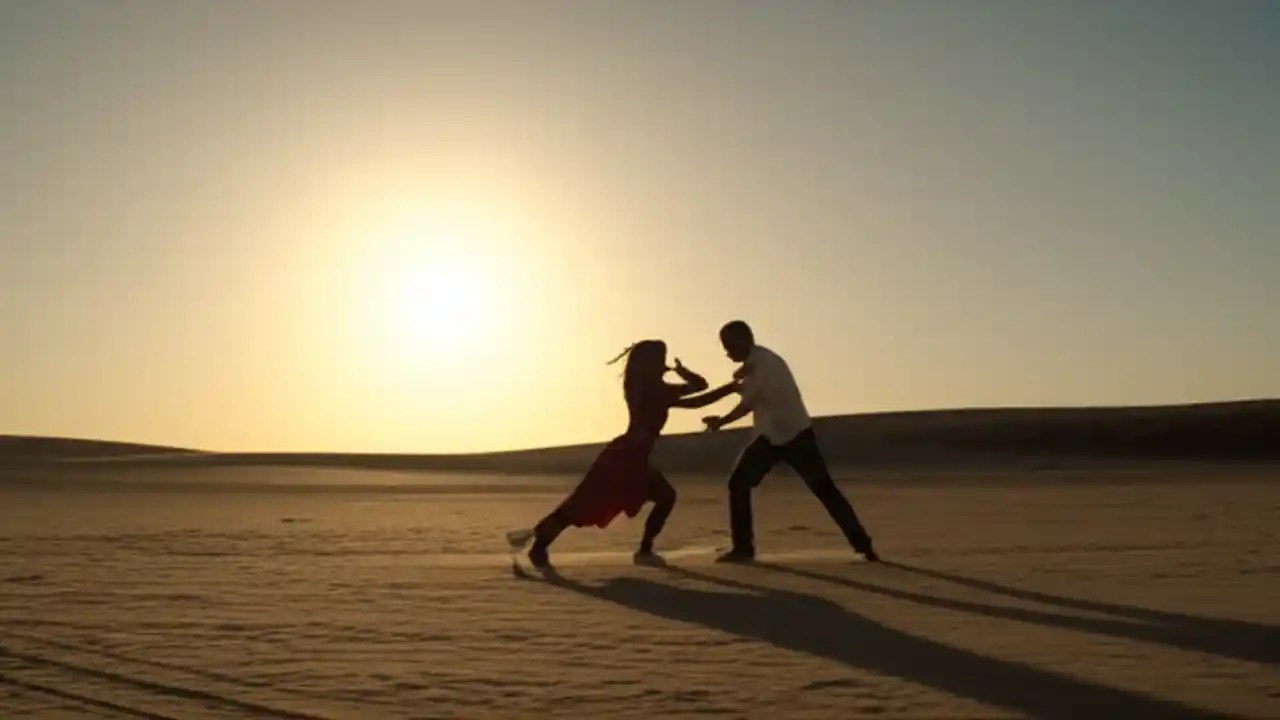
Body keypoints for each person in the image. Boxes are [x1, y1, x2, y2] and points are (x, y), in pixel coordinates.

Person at [521, 340, 739, 568]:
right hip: (630, 457)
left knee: (586, 501)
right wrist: (729, 388)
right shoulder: (654, 389)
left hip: (626, 454)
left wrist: (682, 372)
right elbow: (698, 396)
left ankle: (541, 544)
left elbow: (699, 388)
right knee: (599, 502)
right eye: (661, 358)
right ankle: (643, 549)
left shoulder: (640, 385)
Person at [703, 321, 879, 563]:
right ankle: (743, 547)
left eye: (729, 345)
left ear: (744, 340)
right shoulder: (762, 362)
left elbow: (747, 403)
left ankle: (862, 544)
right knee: (739, 483)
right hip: (772, 436)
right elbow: (750, 385)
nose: (727, 352)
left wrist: (720, 421)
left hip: (794, 437)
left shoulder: (764, 365)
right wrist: (741, 377)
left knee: (823, 490)